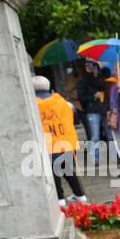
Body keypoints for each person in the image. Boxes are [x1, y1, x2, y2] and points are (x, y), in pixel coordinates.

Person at [33, 75, 86, 205]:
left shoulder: (34, 105)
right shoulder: (64, 103)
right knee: (69, 172)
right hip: (66, 143)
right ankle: (81, 197)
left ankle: (60, 200)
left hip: (49, 145)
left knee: (53, 175)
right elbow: (74, 119)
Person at [75, 59, 106, 169]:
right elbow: (81, 98)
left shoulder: (102, 78)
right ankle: (94, 158)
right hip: (92, 111)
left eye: (93, 66)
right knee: (95, 136)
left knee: (109, 135)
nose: (91, 68)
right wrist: (94, 97)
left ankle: (116, 155)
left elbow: (106, 88)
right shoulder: (83, 81)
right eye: (88, 66)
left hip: (104, 109)